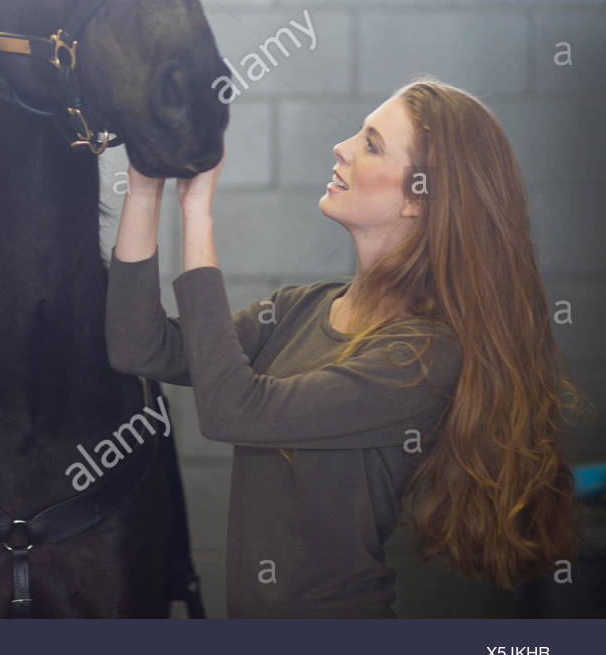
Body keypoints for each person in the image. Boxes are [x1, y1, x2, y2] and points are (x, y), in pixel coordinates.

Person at [105, 77, 587, 618]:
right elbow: (140, 347)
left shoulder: (422, 356)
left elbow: (232, 409)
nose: (342, 147)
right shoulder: (301, 308)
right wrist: (144, 188)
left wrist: (197, 214)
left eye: (372, 143)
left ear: (417, 199)